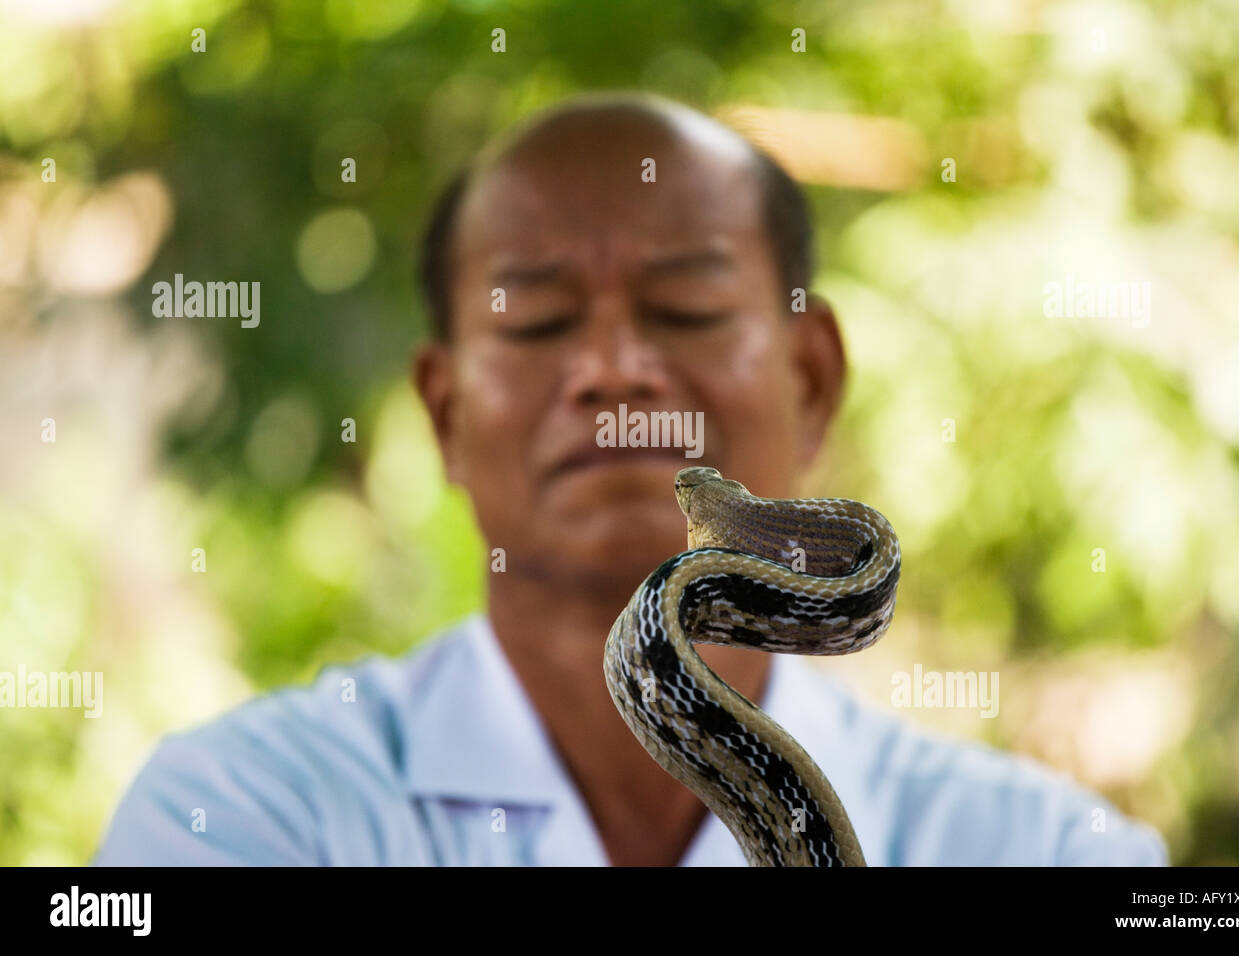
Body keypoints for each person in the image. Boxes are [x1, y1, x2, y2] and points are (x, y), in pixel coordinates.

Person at [95, 92, 1167, 866]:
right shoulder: (235, 815)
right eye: (541, 319)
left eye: (687, 307)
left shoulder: (1044, 848)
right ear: (445, 414)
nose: (611, 368)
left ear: (812, 376)